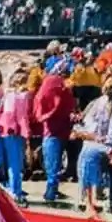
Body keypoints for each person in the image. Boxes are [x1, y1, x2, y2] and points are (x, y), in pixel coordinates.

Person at [75, 76, 112, 218]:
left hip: (97, 145)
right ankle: (101, 202)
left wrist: (85, 134)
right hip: (111, 146)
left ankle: (89, 202)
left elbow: (85, 127)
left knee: (87, 162)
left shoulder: (97, 104)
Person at [35, 61, 77, 203]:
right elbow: (57, 103)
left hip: (54, 129)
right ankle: (50, 192)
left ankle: (52, 190)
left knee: (53, 162)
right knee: (54, 162)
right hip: (57, 130)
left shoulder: (51, 83)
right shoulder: (57, 84)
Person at [0, 70, 31, 205]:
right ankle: (15, 191)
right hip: (14, 131)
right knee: (15, 163)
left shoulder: (7, 95)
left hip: (4, 130)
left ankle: (13, 188)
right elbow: (20, 115)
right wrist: (25, 132)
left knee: (6, 161)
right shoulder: (20, 97)